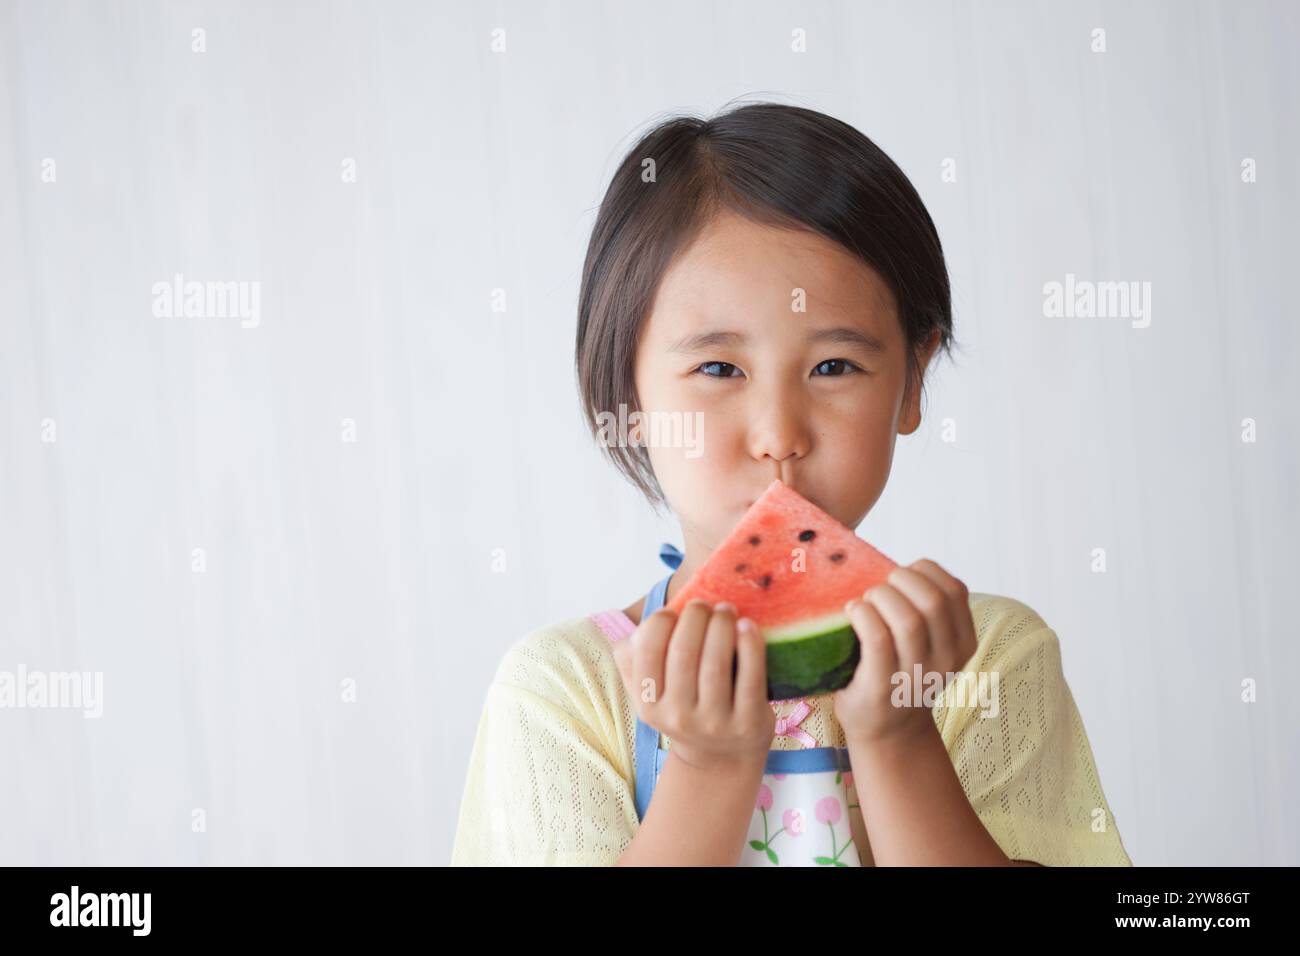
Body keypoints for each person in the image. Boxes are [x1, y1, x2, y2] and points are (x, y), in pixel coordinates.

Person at [450, 101, 1132, 866]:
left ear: (913, 381)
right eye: (717, 368)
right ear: (628, 400)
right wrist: (706, 766)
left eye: (834, 367)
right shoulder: (566, 692)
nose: (779, 434)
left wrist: (901, 738)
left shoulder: (986, 661)